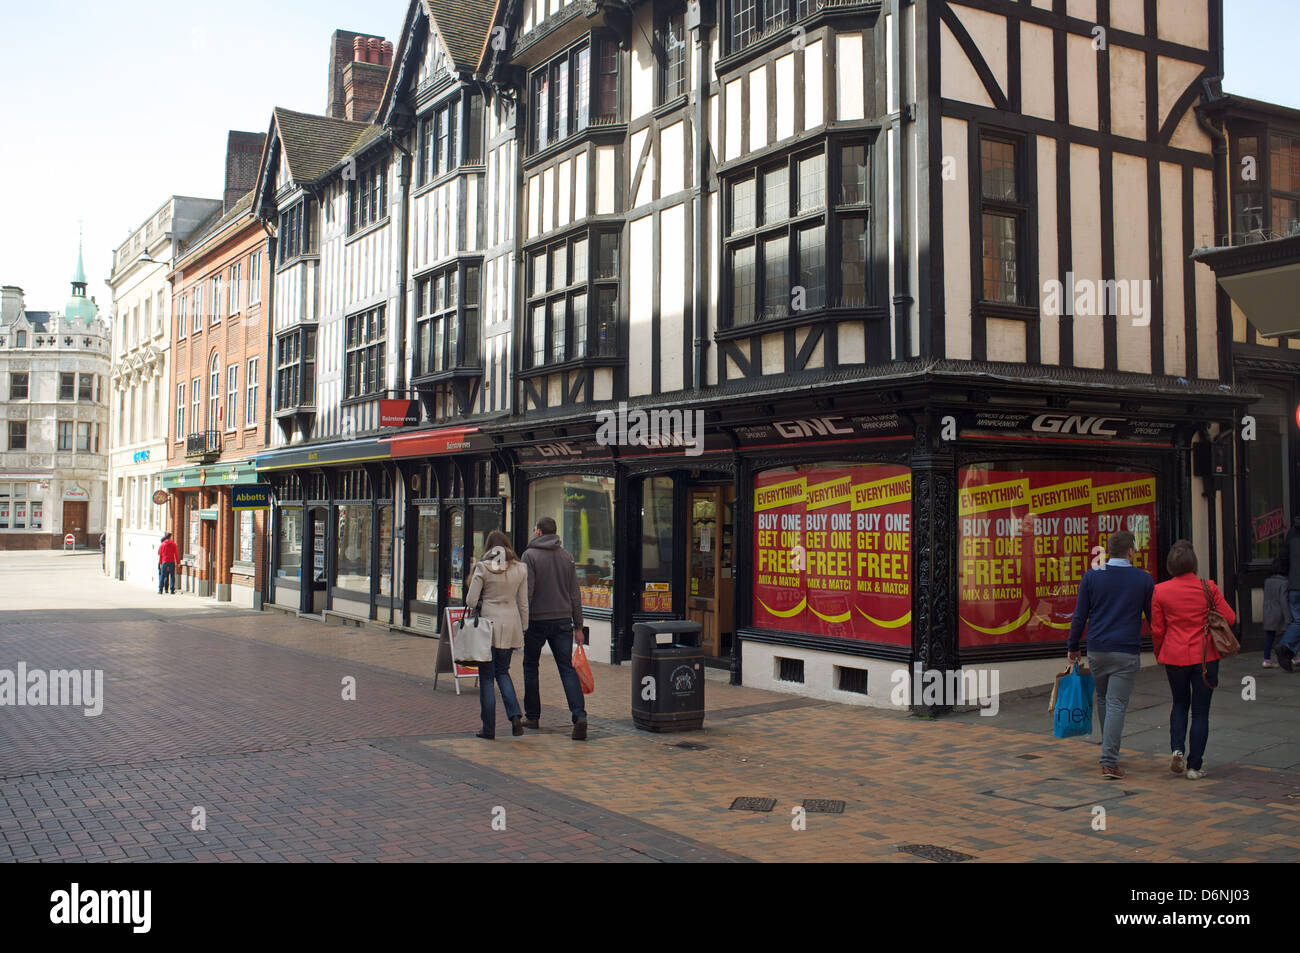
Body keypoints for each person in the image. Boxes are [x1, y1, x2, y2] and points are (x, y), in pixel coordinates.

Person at [1067, 530, 1154, 780]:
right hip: (1125, 649)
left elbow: (1080, 615)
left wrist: (1073, 646)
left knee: (1104, 699)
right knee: (1116, 704)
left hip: (1097, 649)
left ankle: (1108, 750)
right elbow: (1152, 618)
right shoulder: (1143, 579)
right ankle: (1109, 760)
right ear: (1130, 551)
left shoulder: (1092, 576)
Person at [1151, 541, 1236, 779]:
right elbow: (1230, 617)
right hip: (1205, 657)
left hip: (1174, 656)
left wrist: (1160, 653)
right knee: (1200, 712)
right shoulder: (1208, 588)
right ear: (1193, 563)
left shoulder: (1160, 591)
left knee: (1179, 703)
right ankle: (1194, 766)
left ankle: (1177, 749)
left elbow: (1157, 629)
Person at [521, 517, 588, 741]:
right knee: (567, 669)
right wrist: (579, 626)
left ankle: (532, 716)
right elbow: (574, 595)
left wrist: (523, 621)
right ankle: (579, 716)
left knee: (531, 666)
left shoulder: (529, 556)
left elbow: (527, 592)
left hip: (536, 620)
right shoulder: (567, 557)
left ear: (539, 532)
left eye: (534, 529)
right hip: (562, 621)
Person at [464, 531, 529, 740]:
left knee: (486, 677)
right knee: (503, 671)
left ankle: (488, 728)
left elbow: (471, 601)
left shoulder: (483, 567)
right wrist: (524, 628)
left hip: (487, 626)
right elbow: (523, 603)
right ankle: (515, 715)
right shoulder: (520, 568)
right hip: (511, 624)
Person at [1277, 516, 1300, 671]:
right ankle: (1285, 646)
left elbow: (1283, 560)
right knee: (1299, 621)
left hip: (1294, 584)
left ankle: (1289, 652)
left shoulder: (1292, 533)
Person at [1262, 556, 1290, 670]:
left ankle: (1266, 659)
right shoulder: (1284, 583)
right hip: (1279, 612)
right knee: (1287, 634)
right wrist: (1288, 617)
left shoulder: (1267, 581)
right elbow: (1283, 600)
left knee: (1269, 636)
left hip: (1267, 611)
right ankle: (1291, 656)